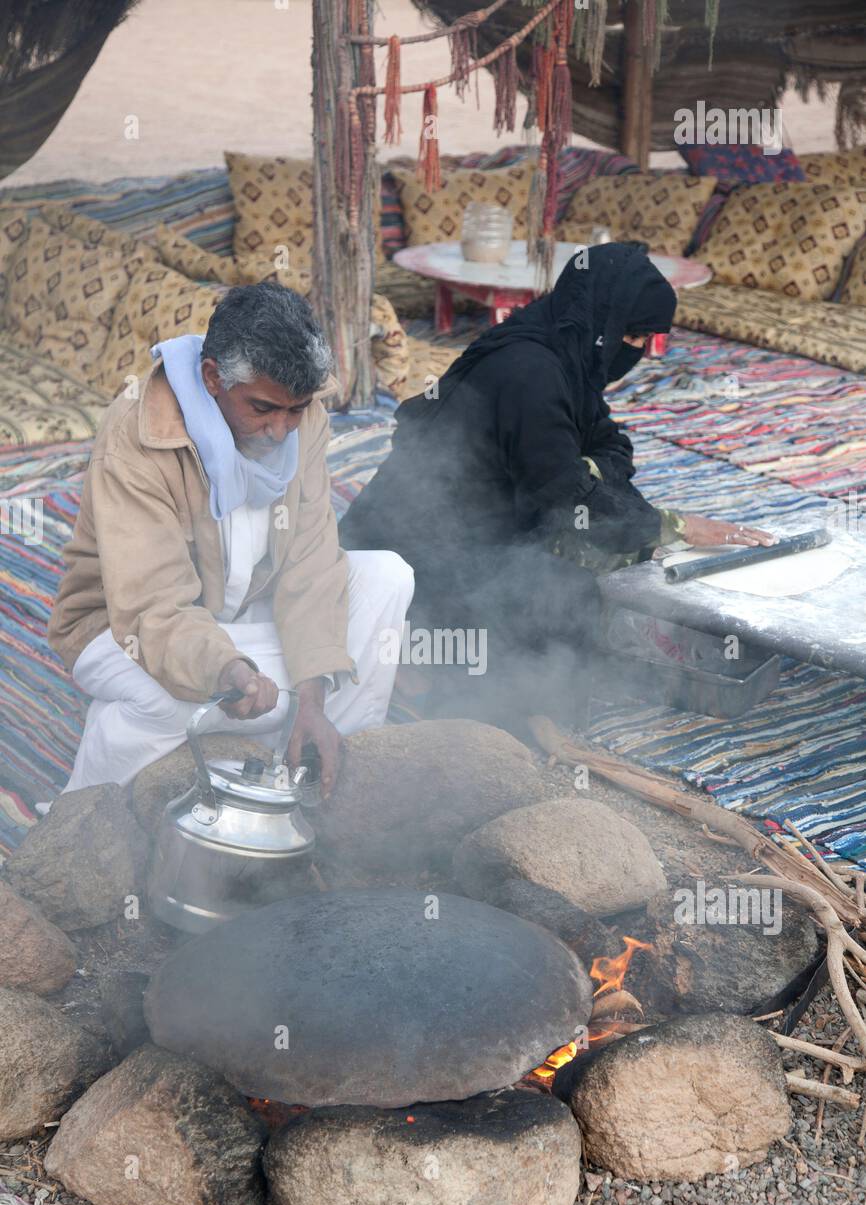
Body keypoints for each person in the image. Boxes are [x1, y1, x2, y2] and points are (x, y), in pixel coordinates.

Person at [339, 242, 771, 728]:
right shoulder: (529, 371)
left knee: (591, 557)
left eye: (643, 338)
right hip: (410, 556)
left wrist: (602, 490)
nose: (636, 350)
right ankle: (461, 698)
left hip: (472, 528)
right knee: (563, 594)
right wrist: (672, 526)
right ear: (601, 321)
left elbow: (610, 446)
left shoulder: (564, 352)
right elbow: (565, 497)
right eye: (630, 334)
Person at [48, 282, 414, 797]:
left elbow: (311, 563)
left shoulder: (300, 419)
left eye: (296, 410)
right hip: (121, 627)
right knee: (172, 698)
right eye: (263, 408)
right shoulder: (139, 434)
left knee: (387, 577)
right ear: (212, 377)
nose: (280, 431)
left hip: (243, 614)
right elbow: (154, 606)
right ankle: (82, 815)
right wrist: (229, 672)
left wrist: (311, 702)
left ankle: (322, 774)